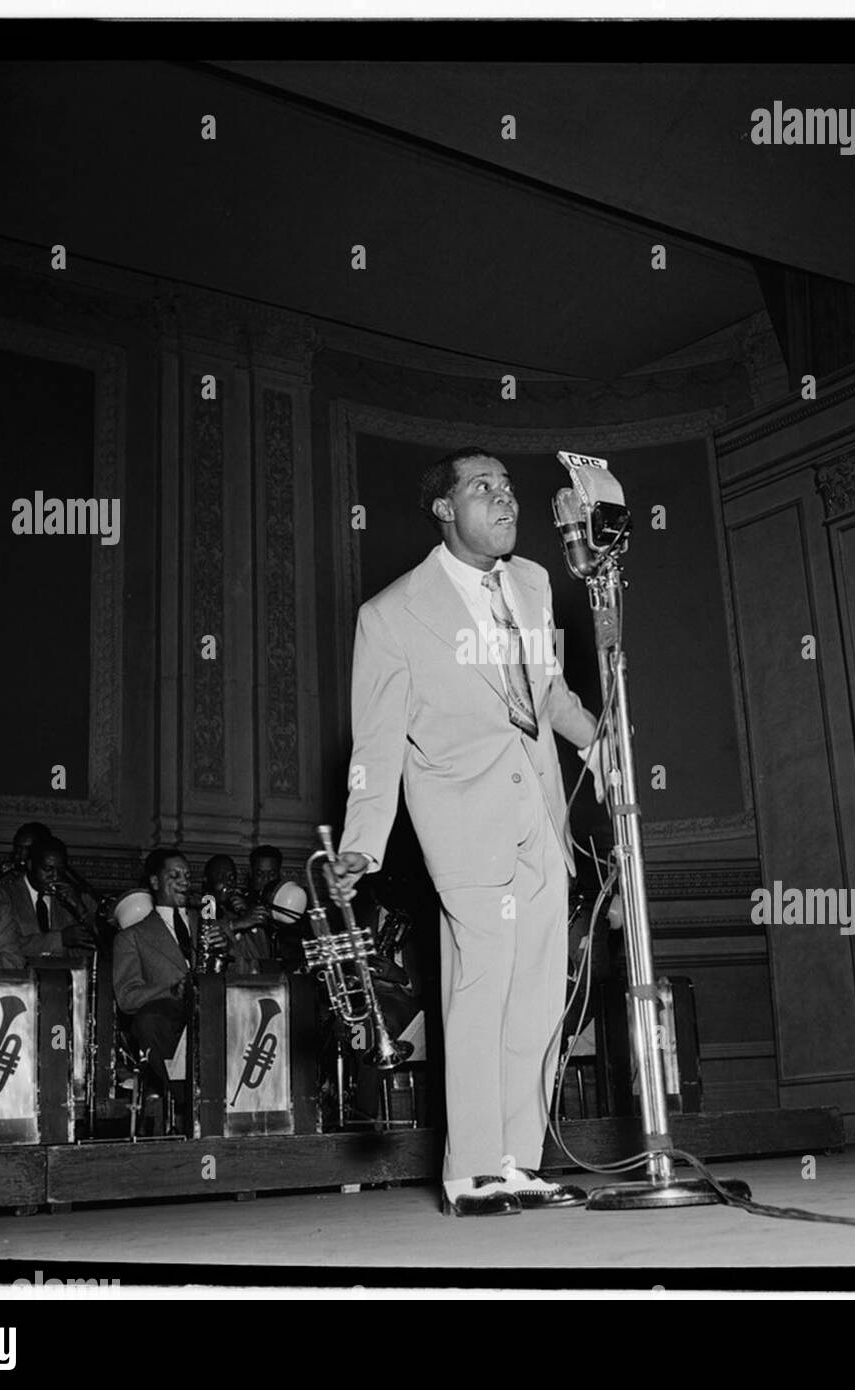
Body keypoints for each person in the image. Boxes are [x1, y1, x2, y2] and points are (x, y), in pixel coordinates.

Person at [331, 446, 607, 1216]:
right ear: (444, 509)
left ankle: (519, 1163)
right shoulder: (391, 615)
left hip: (541, 822)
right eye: (482, 487)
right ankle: (472, 1173)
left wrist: (595, 742)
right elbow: (377, 744)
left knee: (539, 998)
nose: (505, 498)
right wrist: (362, 840)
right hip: (465, 827)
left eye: (508, 486)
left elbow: (545, 691)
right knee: (481, 992)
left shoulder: (532, 582)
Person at [111, 848, 198, 1123]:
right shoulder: (131, 937)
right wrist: (171, 990)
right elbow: (127, 997)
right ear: (154, 881)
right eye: (174, 875)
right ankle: (182, 1099)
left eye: (187, 875)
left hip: (215, 1007)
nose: (184, 881)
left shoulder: (208, 923)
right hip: (171, 1016)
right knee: (148, 1021)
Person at [0, 836, 94, 969]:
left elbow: (92, 951)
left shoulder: (66, 898)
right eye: (48, 869)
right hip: (15, 982)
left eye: (60, 870)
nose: (56, 877)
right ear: (30, 865)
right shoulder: (1, 895)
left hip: (59, 981)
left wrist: (80, 910)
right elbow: (7, 946)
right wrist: (60, 939)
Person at [201, 854, 272, 974]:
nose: (228, 882)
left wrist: (246, 914)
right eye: (221, 877)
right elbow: (209, 934)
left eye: (231, 877)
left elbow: (262, 959)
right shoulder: (203, 904)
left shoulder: (232, 913)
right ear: (207, 880)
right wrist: (236, 924)